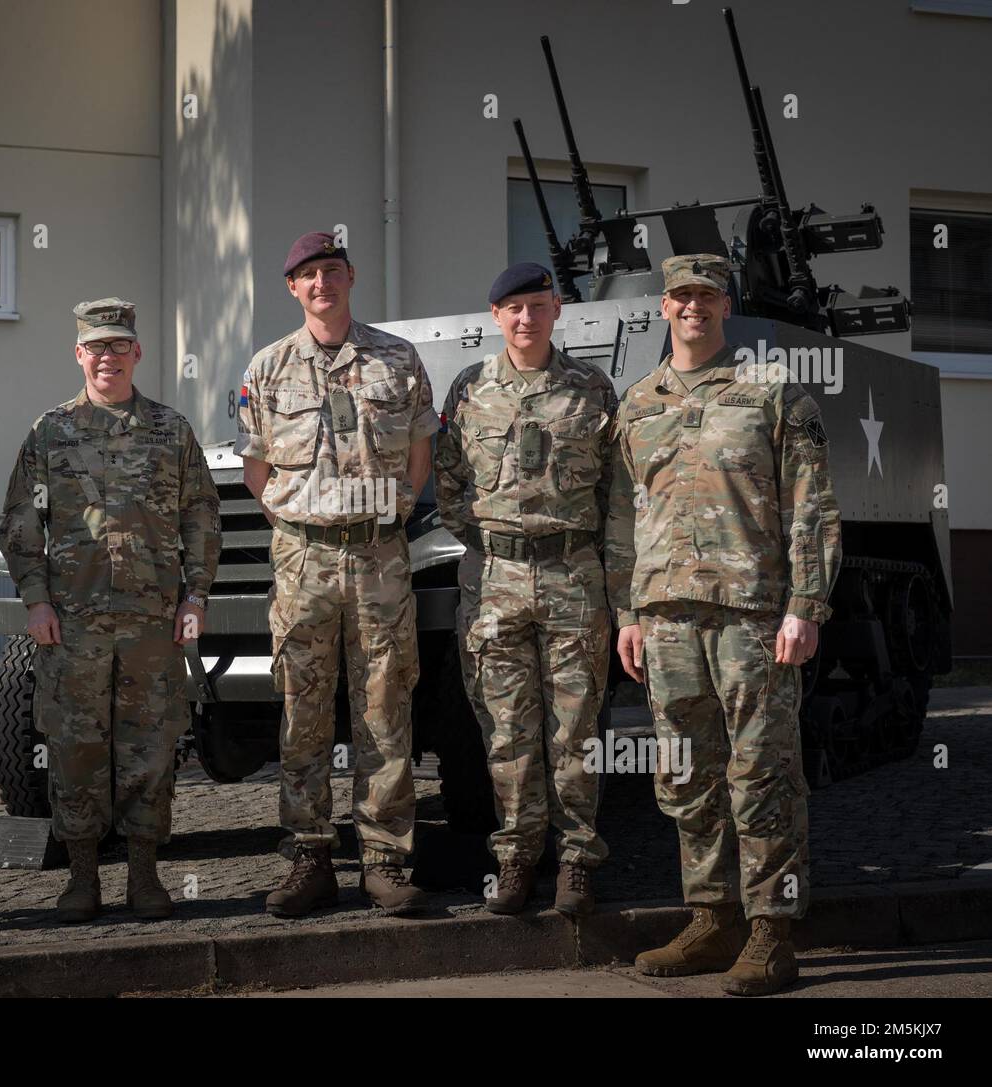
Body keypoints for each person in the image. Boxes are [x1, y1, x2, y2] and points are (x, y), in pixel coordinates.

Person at [604, 253, 842, 995]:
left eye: (706, 295)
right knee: (684, 773)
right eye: (681, 296)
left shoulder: (774, 395)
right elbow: (620, 518)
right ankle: (712, 919)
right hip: (666, 618)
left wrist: (805, 606)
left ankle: (772, 930)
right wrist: (627, 612)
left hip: (752, 618)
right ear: (665, 307)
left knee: (761, 772)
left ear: (726, 303)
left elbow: (812, 508)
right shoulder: (637, 404)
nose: (693, 308)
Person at [0, 297, 220, 922]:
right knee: (76, 751)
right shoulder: (50, 432)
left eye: (119, 345)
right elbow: (20, 522)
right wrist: (36, 600)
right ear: (79, 354)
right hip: (73, 624)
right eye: (96, 346)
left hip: (152, 624)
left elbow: (201, 515)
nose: (107, 357)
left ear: (136, 353)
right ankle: (83, 880)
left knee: (149, 750)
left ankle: (145, 877)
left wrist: (195, 594)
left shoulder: (171, 431)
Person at [237, 232, 439, 917]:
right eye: (307, 275)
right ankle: (309, 856)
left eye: (331, 270)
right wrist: (303, 525)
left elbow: (419, 454)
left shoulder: (396, 359)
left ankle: (384, 859)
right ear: (292, 288)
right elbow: (257, 471)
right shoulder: (267, 368)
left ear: (349, 277)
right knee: (303, 709)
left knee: (386, 706)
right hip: (303, 559)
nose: (321, 283)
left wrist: (392, 512)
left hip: (380, 556)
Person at [435, 262, 617, 917]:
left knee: (574, 730)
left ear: (557, 309)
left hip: (574, 577)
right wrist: (496, 540)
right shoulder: (469, 389)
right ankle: (515, 859)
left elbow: (612, 492)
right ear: (494, 316)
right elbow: (450, 486)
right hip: (495, 580)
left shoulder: (591, 389)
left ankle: (577, 865)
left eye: (537, 306)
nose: (525, 318)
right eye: (512, 308)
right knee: (506, 731)